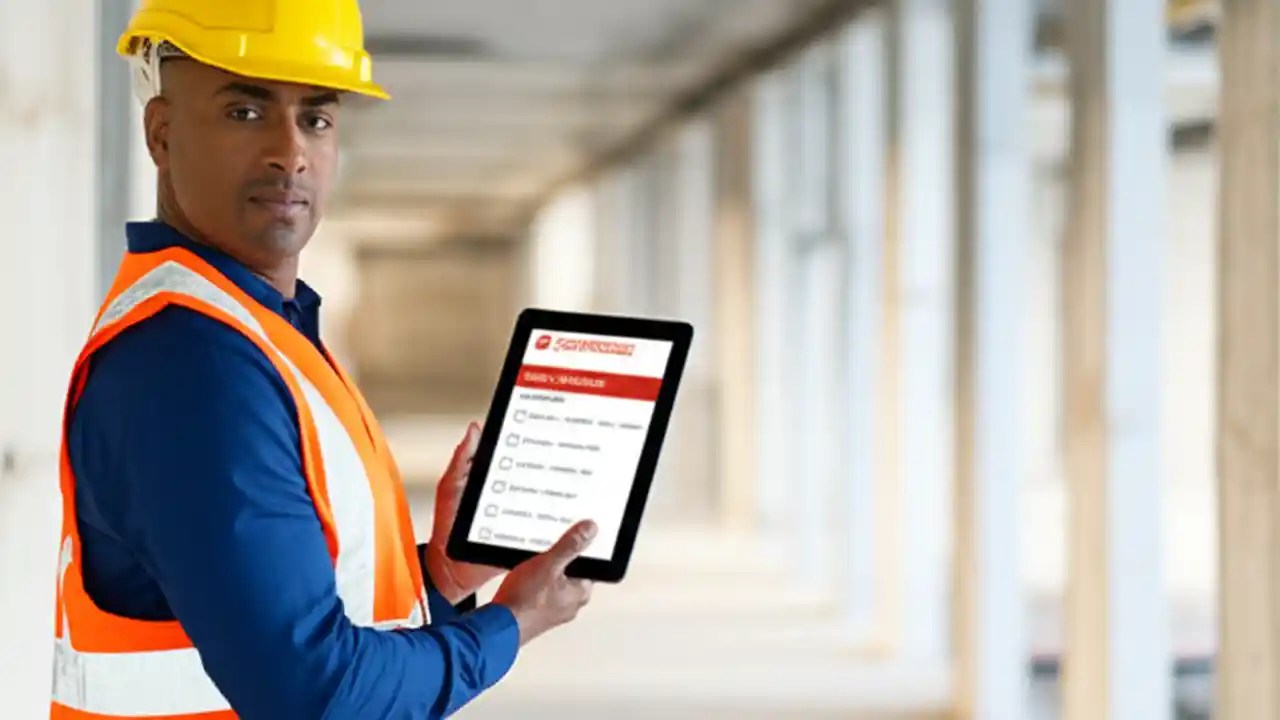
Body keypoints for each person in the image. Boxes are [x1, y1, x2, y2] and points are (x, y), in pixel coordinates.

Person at [49, 1, 597, 718]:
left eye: (316, 118)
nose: (291, 153)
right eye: (245, 112)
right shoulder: (191, 367)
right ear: (162, 133)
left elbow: (289, 616)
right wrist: (512, 623)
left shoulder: (260, 335)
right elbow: (316, 690)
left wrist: (442, 576)